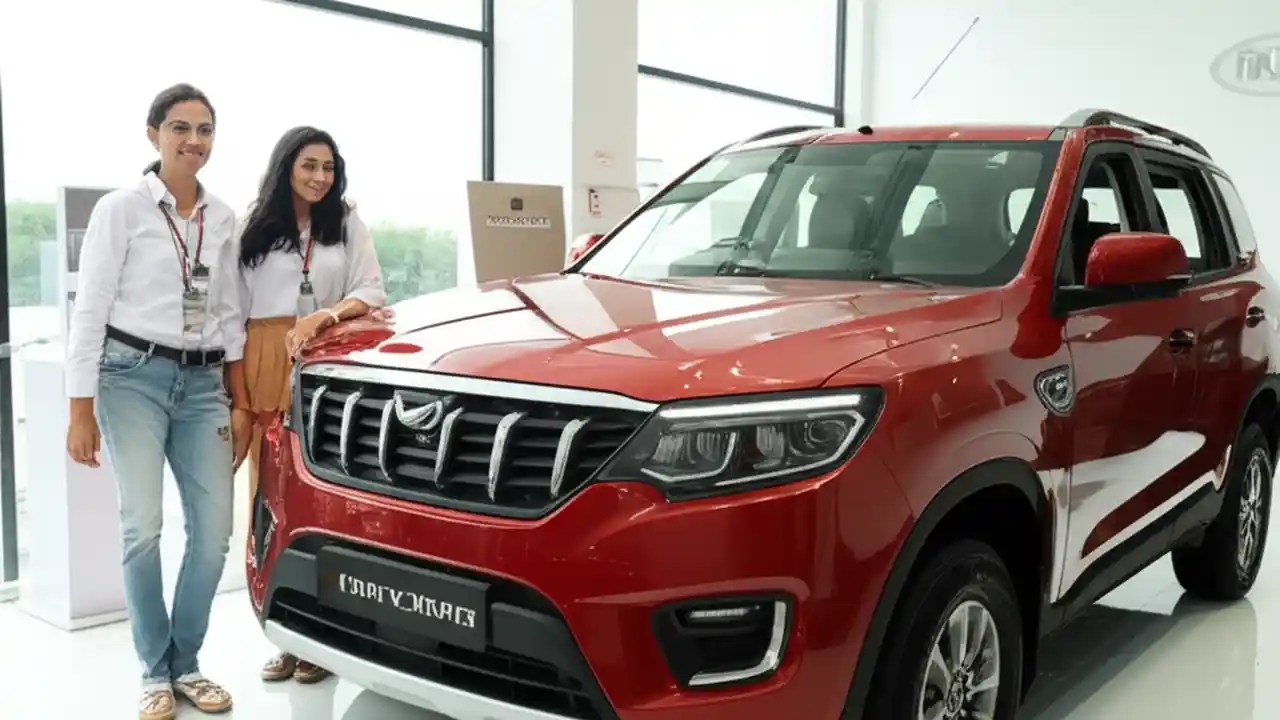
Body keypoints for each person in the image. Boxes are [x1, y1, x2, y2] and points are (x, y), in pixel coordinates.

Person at [65, 83, 247, 720]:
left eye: (205, 129)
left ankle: (185, 662)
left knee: (215, 535)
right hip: (130, 378)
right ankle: (154, 670)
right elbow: (90, 308)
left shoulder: (222, 218)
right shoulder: (122, 209)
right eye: (180, 128)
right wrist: (79, 407)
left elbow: (229, 314)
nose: (194, 140)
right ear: (154, 135)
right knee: (142, 526)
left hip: (203, 386)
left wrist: (238, 401)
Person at [221, 125, 387, 684]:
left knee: (324, 508)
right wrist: (239, 398)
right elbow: (231, 314)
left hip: (325, 362)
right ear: (286, 167)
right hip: (264, 360)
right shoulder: (254, 224)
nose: (320, 177)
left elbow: (373, 290)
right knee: (269, 507)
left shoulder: (346, 221)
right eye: (309, 166)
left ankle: (326, 640)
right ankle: (285, 634)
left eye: (329, 167)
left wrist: (325, 315)